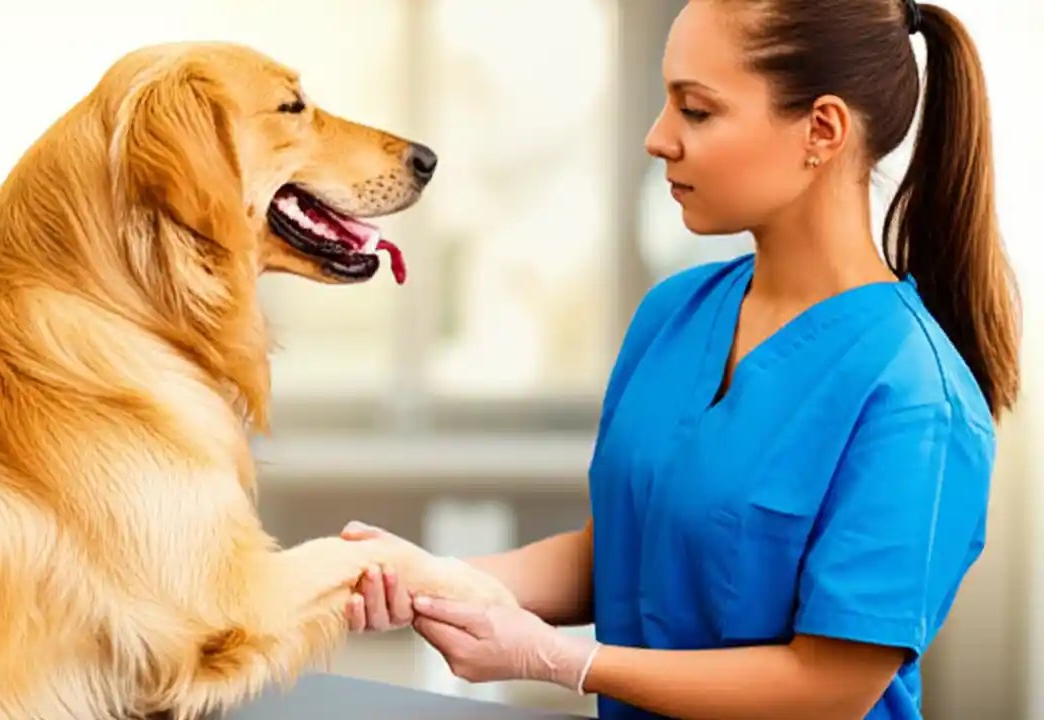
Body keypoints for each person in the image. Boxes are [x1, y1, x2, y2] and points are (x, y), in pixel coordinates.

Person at [339, 1, 1021, 718]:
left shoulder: (916, 397)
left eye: (695, 111)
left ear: (821, 129)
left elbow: (828, 688)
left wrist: (563, 661)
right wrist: (429, 578)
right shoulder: (675, 314)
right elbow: (618, 557)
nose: (658, 138)